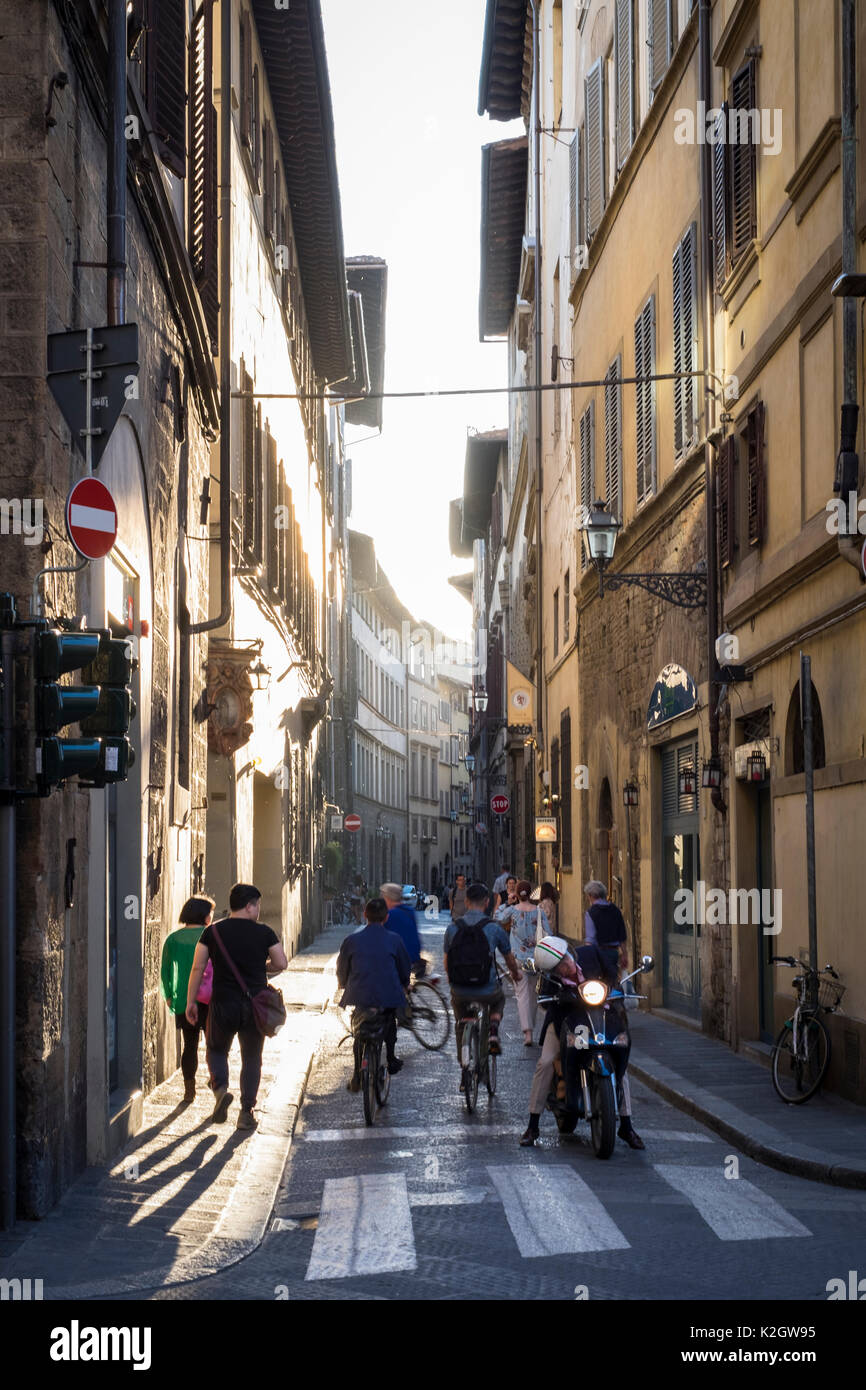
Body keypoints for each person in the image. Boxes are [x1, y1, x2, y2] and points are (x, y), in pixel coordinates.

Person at [519, 935, 643, 1149]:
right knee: (546, 1062)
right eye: (558, 969)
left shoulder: (591, 954)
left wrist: (615, 986)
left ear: (569, 953)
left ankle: (626, 1124)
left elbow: (612, 973)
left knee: (618, 1059)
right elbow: (544, 999)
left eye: (565, 961)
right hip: (567, 1022)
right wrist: (555, 998)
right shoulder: (549, 979)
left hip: (602, 1017)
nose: (565, 968)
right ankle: (533, 1125)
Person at [185, 883, 287, 1132]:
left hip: (222, 1003)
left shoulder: (213, 933)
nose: (259, 910)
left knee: (216, 1049)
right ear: (250, 906)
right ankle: (246, 1112)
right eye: (258, 905)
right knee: (252, 1057)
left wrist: (191, 1001)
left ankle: (220, 1089)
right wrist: (262, 968)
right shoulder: (264, 933)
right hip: (254, 1005)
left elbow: (198, 967)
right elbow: (281, 962)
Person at [444, 881, 520, 1088]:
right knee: (498, 1000)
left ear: (466, 902)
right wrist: (515, 974)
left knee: (461, 1023)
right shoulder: (494, 928)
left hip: (460, 990)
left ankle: (464, 1071)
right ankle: (493, 1029)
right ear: (487, 902)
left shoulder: (452, 928)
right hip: (487, 989)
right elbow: (509, 957)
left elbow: (446, 963)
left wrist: (454, 983)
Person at [336, 897, 412, 1092]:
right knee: (390, 1020)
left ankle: (356, 1076)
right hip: (388, 995)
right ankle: (391, 1057)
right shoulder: (395, 939)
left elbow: (342, 968)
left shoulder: (351, 940)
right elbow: (404, 968)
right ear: (386, 918)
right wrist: (405, 985)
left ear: (364, 915)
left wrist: (344, 984)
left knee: (358, 1032)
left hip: (359, 994)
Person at [160, 896, 216, 1102]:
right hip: (210, 998)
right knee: (214, 1044)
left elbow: (165, 971)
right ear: (204, 916)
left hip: (185, 1000)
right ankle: (216, 1081)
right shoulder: (210, 935)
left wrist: (168, 995)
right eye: (210, 912)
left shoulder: (173, 939)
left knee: (189, 1045)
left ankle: (189, 1090)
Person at [495, 879, 550, 1045]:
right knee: (533, 995)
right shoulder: (539, 911)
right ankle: (530, 1028)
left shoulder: (512, 910)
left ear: (517, 894)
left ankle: (527, 1032)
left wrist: (507, 903)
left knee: (522, 995)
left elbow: (497, 917)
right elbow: (549, 932)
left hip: (517, 958)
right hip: (535, 958)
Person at [583, 880, 629, 979]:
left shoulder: (591, 913)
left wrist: (587, 956)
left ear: (591, 896)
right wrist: (624, 954)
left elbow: (590, 939)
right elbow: (622, 935)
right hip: (613, 953)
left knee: (597, 982)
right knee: (612, 981)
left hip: (598, 954)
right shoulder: (615, 910)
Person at [380, 882, 424, 975]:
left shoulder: (389, 914)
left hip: (396, 960)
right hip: (412, 958)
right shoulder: (410, 911)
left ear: (387, 898)